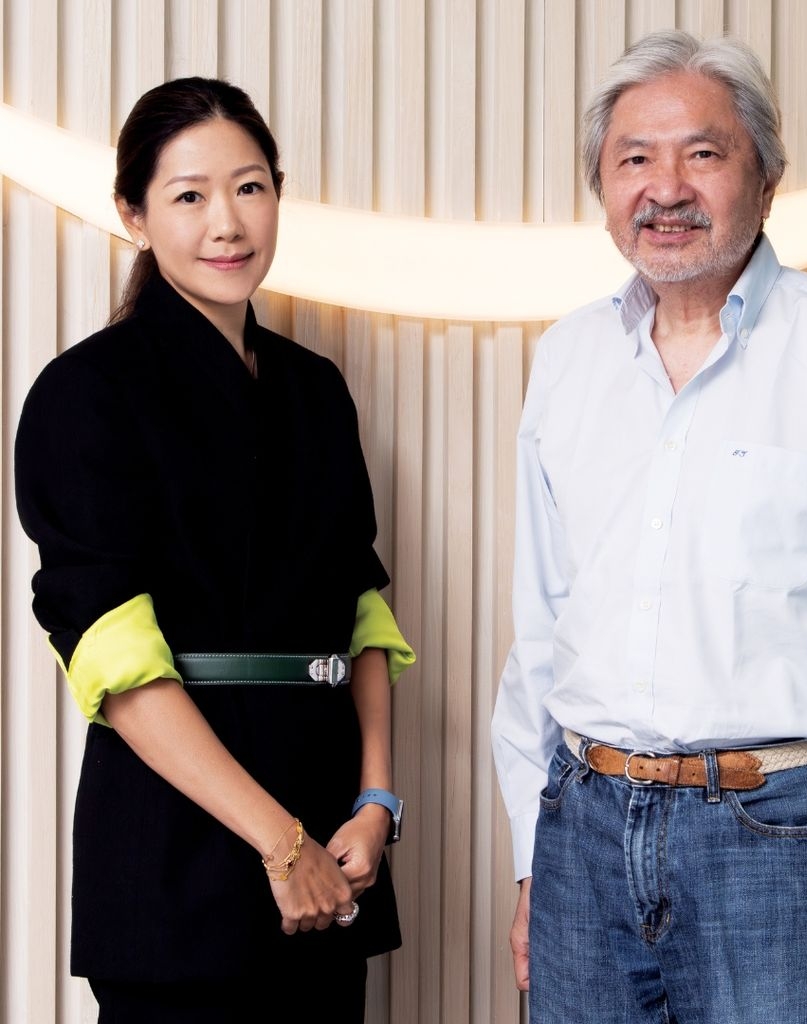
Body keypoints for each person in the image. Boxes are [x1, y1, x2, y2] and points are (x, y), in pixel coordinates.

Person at [491, 29, 807, 1024]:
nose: (665, 188)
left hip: (780, 842)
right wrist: (531, 859)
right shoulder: (569, 356)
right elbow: (542, 634)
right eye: (634, 158)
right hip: (581, 834)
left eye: (703, 153)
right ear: (601, 186)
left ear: (766, 178)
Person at [15, 77, 414, 1023]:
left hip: (335, 844)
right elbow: (113, 661)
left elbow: (363, 616)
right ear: (134, 214)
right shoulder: (85, 392)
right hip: (175, 860)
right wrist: (280, 844)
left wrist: (375, 801)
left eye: (249, 188)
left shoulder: (316, 390)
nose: (227, 223)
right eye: (189, 195)